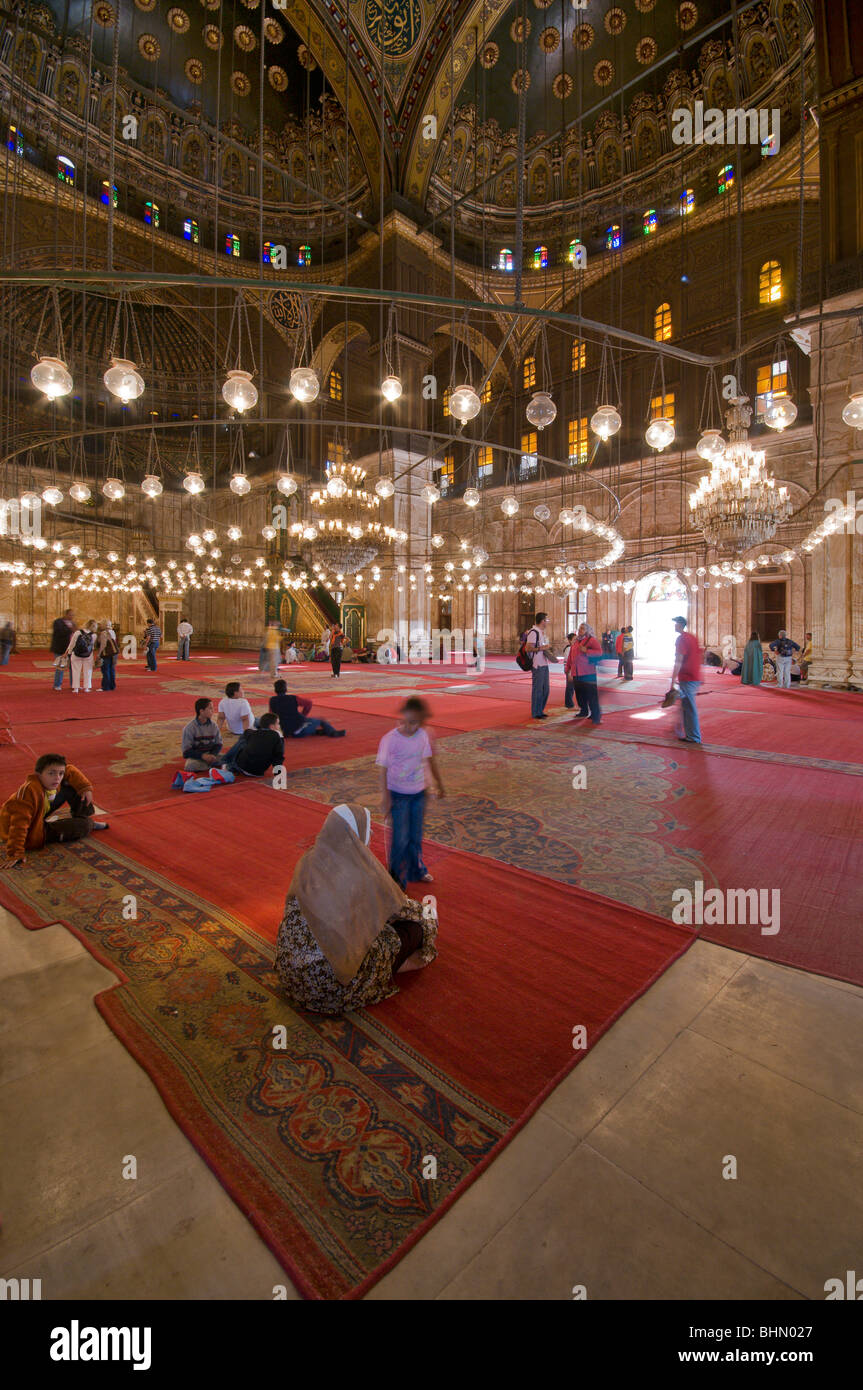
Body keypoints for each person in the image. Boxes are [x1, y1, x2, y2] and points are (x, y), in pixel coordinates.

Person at [275, 803, 438, 1015]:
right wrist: (428, 915)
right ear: (356, 834)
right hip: (332, 989)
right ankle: (396, 966)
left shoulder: (308, 861)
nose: (369, 835)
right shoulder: (363, 872)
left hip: (292, 976)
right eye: (367, 830)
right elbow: (400, 908)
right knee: (413, 930)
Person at [377, 696, 444, 889]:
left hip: (418, 793)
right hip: (398, 795)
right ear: (402, 717)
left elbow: (428, 761)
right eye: (410, 722)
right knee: (400, 837)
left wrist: (438, 785)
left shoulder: (422, 735)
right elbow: (382, 769)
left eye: (417, 722)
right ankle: (396, 877)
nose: (413, 727)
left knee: (415, 835)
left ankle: (416, 869)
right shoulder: (390, 739)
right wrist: (386, 798)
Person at [0, 753, 108, 869]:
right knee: (84, 825)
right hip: (30, 831)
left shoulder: (53, 780)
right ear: (39, 774)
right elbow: (18, 824)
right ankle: (88, 823)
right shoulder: (29, 792)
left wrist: (85, 788)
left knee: (72, 784)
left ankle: (82, 815)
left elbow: (70, 770)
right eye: (51, 773)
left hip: (38, 814)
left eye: (60, 773)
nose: (57, 778)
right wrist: (15, 853)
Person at [269, 679, 344, 739]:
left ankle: (316, 732)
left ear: (275, 690)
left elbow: (271, 716)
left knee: (308, 724)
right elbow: (309, 703)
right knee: (321, 721)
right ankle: (332, 732)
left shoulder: (272, 700)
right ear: (286, 689)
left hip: (286, 731)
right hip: (299, 729)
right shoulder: (293, 698)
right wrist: (303, 715)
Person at [671, 616, 702, 745]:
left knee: (689, 707)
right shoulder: (692, 637)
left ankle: (694, 736)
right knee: (686, 706)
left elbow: (679, 660)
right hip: (694, 676)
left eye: (675, 624)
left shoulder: (682, 639)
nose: (674, 626)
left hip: (687, 677)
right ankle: (688, 733)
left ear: (680, 624)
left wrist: (673, 679)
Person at [228, 713, 284, 778]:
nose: (279, 726)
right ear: (272, 726)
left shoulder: (254, 733)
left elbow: (246, 732)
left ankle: (228, 763)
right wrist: (278, 774)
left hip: (241, 766)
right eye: (278, 724)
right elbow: (278, 757)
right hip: (257, 772)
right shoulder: (277, 737)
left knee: (244, 740)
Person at [526, 611, 557, 720]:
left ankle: (540, 710)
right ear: (542, 621)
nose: (547, 622)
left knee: (545, 689)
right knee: (538, 689)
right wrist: (541, 648)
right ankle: (536, 712)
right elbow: (528, 648)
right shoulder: (533, 632)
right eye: (546, 620)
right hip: (537, 664)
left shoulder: (541, 632)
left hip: (544, 663)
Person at [571, 623, 603, 725]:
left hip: (588, 673)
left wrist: (587, 651)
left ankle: (596, 716)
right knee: (580, 695)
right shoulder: (576, 641)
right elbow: (571, 655)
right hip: (576, 672)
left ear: (587, 630)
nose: (580, 630)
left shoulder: (591, 640)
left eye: (583, 629)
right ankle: (583, 711)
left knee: (592, 696)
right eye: (579, 628)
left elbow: (599, 652)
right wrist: (568, 669)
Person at [181, 698, 224, 771]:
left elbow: (219, 744)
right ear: (201, 711)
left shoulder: (214, 726)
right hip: (198, 757)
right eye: (210, 708)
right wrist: (203, 756)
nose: (213, 711)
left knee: (230, 758)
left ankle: (207, 765)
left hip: (211, 754)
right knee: (190, 766)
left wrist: (212, 755)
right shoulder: (189, 728)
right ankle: (209, 765)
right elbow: (186, 752)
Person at [65, 618, 97, 694]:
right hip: (88, 655)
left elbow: (72, 644)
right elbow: (92, 647)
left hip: (76, 654)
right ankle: (87, 688)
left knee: (76, 670)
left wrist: (68, 653)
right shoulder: (94, 635)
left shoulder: (78, 632)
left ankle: (76, 688)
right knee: (88, 671)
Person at [51, 608, 76, 690]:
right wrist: (70, 630)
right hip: (60, 648)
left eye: (73, 615)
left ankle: (74, 684)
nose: (72, 616)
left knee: (73, 667)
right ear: (66, 614)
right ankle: (57, 685)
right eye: (70, 614)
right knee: (60, 667)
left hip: (71, 649)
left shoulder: (73, 623)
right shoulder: (58, 622)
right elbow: (59, 632)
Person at [96, 620, 118, 692]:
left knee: (105, 670)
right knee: (112, 669)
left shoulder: (104, 633)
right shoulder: (112, 631)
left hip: (106, 654)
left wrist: (99, 654)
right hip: (113, 653)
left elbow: (103, 645)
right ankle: (112, 685)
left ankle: (105, 686)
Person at [563, 632, 577, 709]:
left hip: (574, 670)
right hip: (570, 671)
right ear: (570, 640)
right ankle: (568, 703)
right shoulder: (568, 649)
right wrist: (569, 673)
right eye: (574, 639)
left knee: (572, 687)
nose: (576, 641)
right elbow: (567, 662)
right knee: (570, 687)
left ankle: (569, 702)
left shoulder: (575, 648)